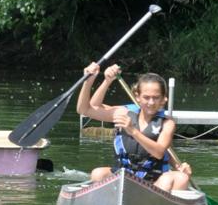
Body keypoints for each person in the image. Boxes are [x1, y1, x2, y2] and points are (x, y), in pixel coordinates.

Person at [76, 62, 191, 191]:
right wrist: (91, 80)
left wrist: (133, 131)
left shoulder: (167, 123)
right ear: (138, 97)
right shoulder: (124, 114)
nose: (151, 102)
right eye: (146, 97)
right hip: (124, 176)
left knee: (181, 178)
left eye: (156, 98)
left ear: (164, 99)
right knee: (98, 174)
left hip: (154, 181)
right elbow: (85, 109)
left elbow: (159, 153)